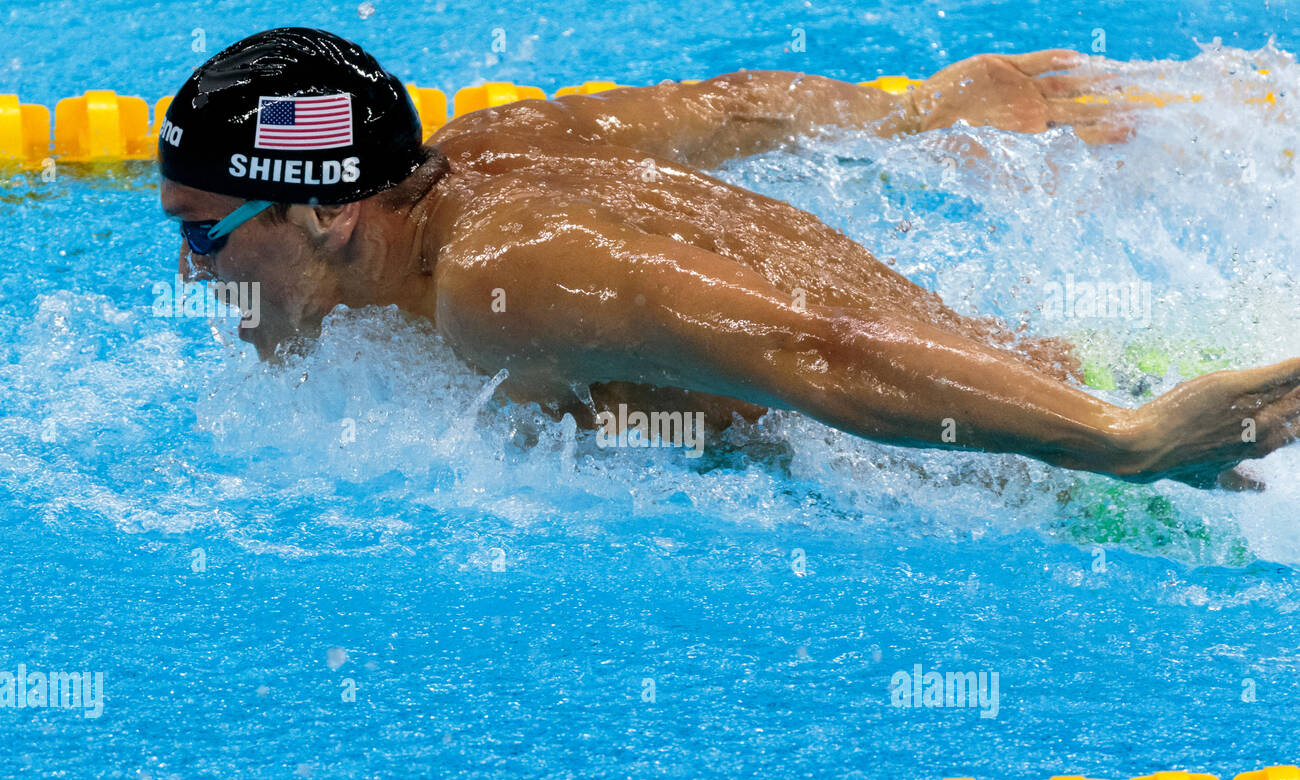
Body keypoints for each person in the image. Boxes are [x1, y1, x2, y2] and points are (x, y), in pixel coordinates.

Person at [159, 27, 1298, 489]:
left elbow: (818, 347)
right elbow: (730, 105)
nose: (190, 274)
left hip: (1028, 468)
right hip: (1087, 370)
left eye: (204, 233)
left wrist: (1122, 441)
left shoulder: (500, 282)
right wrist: (915, 113)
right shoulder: (483, 151)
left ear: (328, 213)